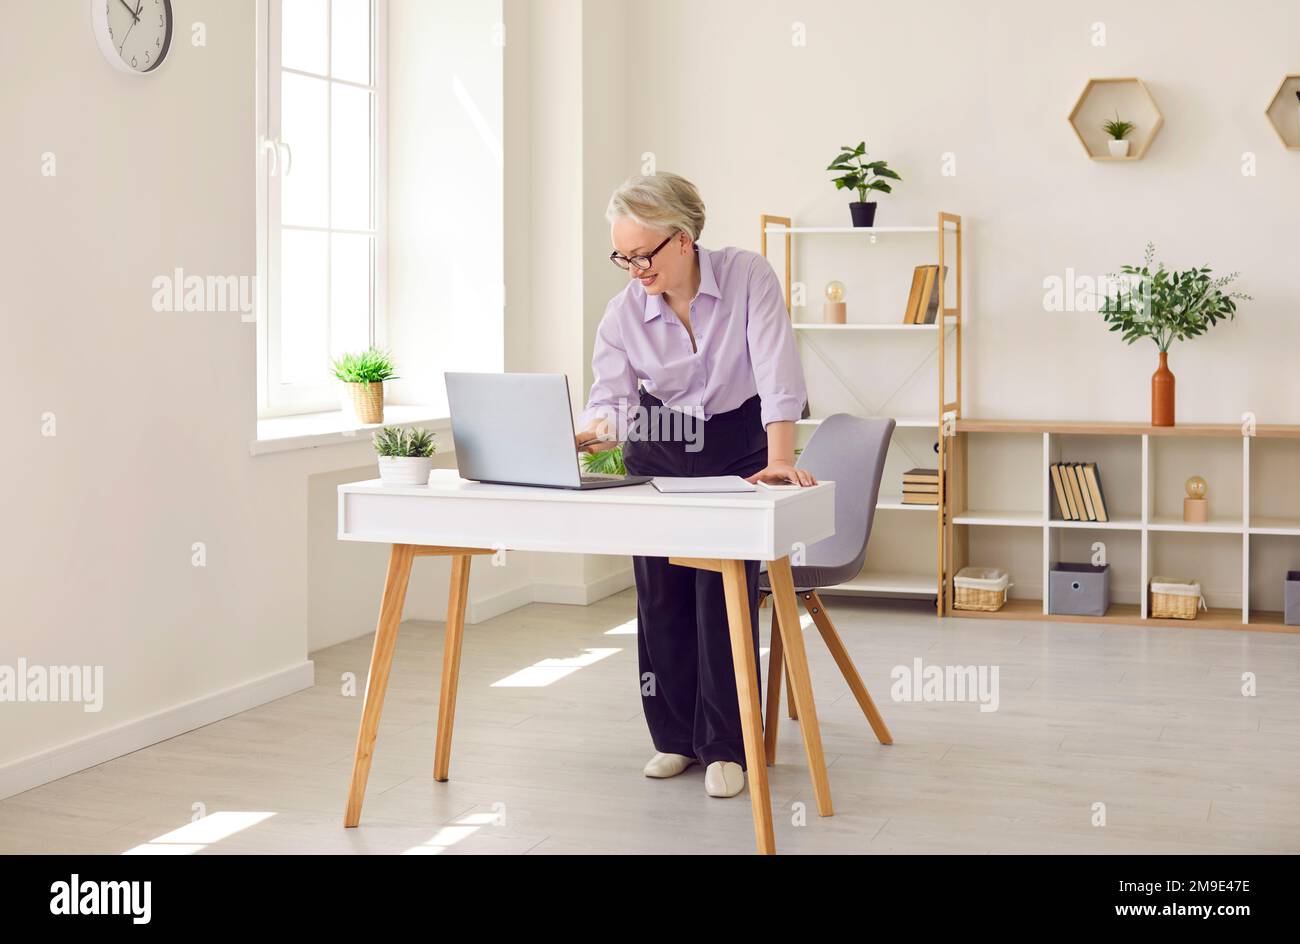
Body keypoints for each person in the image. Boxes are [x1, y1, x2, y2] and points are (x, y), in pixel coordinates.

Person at [576, 172, 815, 798]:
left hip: (739, 442)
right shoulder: (623, 311)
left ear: (682, 240)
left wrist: (782, 459)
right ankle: (674, 739)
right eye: (621, 256)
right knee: (659, 594)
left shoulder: (746, 276)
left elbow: (776, 370)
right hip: (657, 442)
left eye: (641, 255)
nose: (632, 269)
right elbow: (613, 398)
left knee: (722, 592)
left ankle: (726, 746)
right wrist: (587, 435)